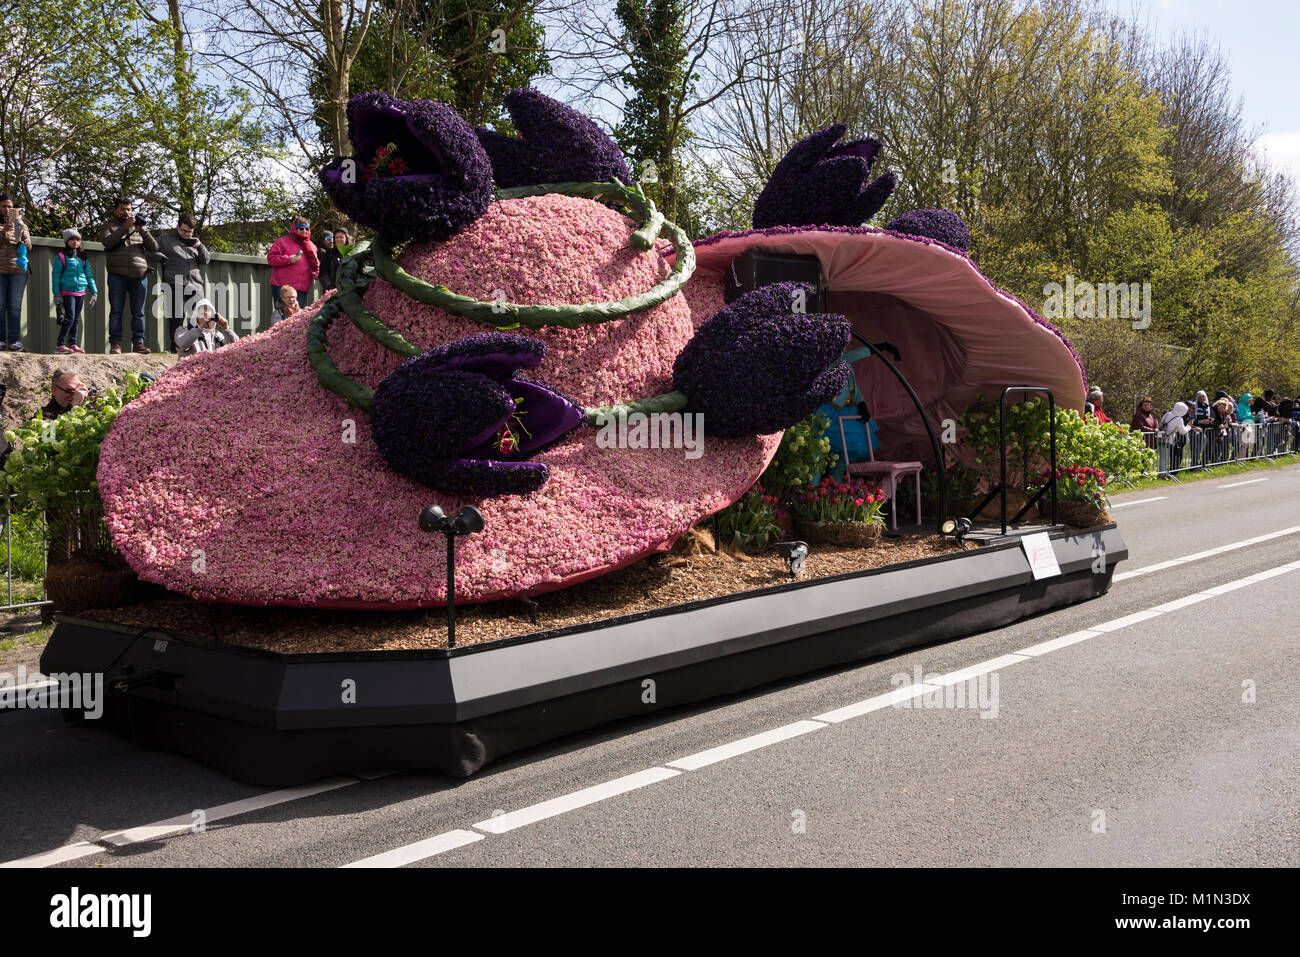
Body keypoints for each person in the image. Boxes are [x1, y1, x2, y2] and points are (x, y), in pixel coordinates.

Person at [98, 198, 158, 354]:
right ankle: (115, 344)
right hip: (117, 274)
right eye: (123, 209)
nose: (126, 212)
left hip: (139, 275)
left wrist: (143, 231)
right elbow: (107, 242)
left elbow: (154, 247)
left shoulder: (139, 228)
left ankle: (139, 343)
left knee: (139, 312)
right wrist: (124, 227)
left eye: (129, 209)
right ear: (115, 211)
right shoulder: (108, 226)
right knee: (116, 310)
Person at [156, 213, 211, 351]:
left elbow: (206, 260)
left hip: (196, 286)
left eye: (189, 232)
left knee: (198, 319)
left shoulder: (194, 242)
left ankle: (196, 349)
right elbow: (150, 252)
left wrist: (199, 246)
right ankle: (176, 350)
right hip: (175, 284)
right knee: (176, 319)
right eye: (184, 230)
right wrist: (161, 258)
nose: (186, 234)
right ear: (177, 226)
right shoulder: (165, 239)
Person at [51, 228, 97, 353]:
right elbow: (55, 276)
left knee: (76, 318)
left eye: (77, 239)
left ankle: (73, 344)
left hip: (81, 292)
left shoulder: (83, 257)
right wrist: (56, 294)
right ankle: (60, 345)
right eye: (72, 239)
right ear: (66, 241)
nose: (75, 241)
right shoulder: (61, 256)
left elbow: (89, 275)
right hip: (67, 292)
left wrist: (94, 292)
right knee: (70, 318)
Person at [0, 193, 32, 352]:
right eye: (4, 206)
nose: (7, 209)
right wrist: (2, 232)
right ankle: (0, 340)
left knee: (14, 306)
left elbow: (29, 247)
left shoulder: (21, 224)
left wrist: (20, 232)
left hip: (18, 271)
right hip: (0, 270)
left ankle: (14, 341)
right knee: (0, 306)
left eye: (10, 207)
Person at [267, 213, 318, 309]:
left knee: (297, 316)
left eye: (306, 229)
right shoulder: (281, 242)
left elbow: (316, 263)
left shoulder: (312, 246)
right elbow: (271, 259)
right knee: (282, 315)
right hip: (282, 287)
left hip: (301, 288)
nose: (304, 231)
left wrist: (316, 272)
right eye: (301, 228)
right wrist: (289, 259)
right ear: (295, 229)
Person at [174, 297, 239, 358]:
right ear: (196, 316)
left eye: (208, 310)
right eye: (202, 311)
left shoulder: (217, 335)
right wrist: (200, 327)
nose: (205, 312)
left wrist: (226, 329)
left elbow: (236, 347)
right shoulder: (183, 330)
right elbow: (182, 344)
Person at [1160, 401, 1192, 474]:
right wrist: (1188, 426)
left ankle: (1161, 473)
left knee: (1162, 457)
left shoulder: (1167, 414)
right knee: (1166, 457)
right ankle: (1163, 474)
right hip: (1169, 439)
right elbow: (1182, 431)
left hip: (1161, 436)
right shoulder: (1178, 419)